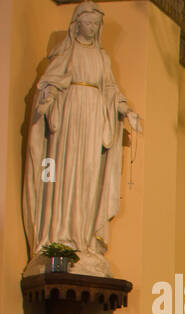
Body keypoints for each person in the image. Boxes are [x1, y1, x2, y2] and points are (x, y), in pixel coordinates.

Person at [23, 1, 141, 278]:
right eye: (88, 23)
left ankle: (84, 239)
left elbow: (111, 88)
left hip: (92, 123)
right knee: (62, 176)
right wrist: (47, 98)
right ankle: (59, 237)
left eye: (96, 25)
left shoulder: (102, 59)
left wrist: (125, 109)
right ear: (77, 25)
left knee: (89, 177)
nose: (92, 28)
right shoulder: (67, 53)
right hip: (68, 124)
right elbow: (50, 84)